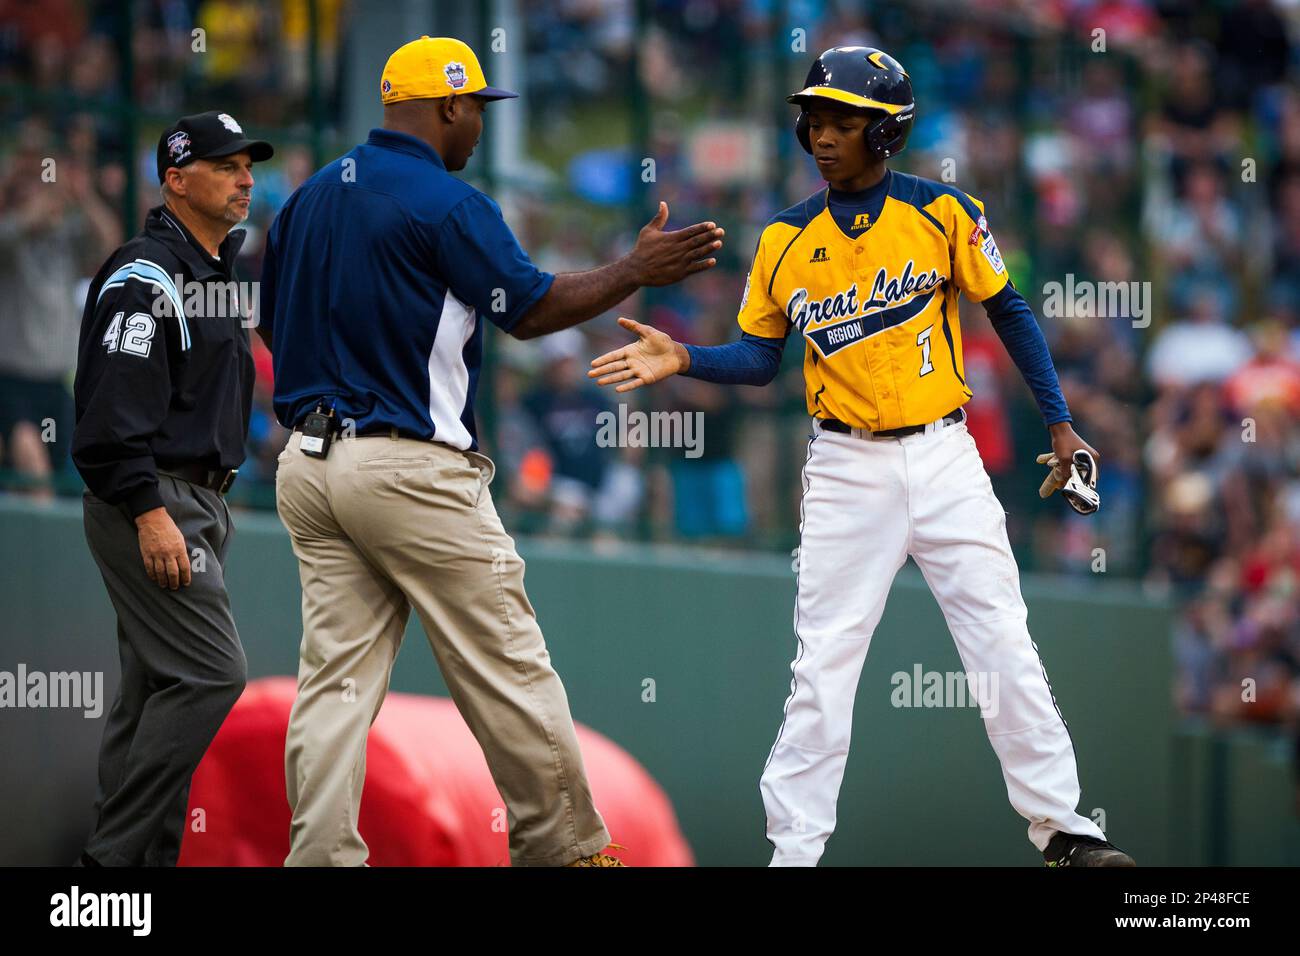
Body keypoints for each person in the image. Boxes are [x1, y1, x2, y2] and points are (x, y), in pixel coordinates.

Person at [589, 47, 1135, 867]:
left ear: (887, 133)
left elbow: (1011, 311)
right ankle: (796, 853)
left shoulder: (945, 212)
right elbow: (759, 359)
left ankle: (1066, 832)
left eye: (844, 120)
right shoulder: (781, 238)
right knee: (824, 666)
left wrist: (1059, 424)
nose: (822, 134)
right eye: (816, 118)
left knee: (1002, 643)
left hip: (947, 455)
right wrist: (685, 358)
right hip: (847, 468)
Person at [258, 36, 724, 867]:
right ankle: (569, 851)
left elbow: (268, 323)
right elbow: (530, 308)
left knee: (333, 680)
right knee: (507, 663)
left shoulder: (308, 198)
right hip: (409, 468)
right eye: (475, 105)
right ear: (446, 106)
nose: (478, 123)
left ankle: (320, 857)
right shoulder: (448, 202)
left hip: (308, 466)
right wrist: (634, 268)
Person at [71, 111, 273, 865]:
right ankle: (107, 867)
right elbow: (110, 414)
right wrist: (148, 510)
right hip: (153, 499)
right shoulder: (147, 274)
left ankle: (132, 885)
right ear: (177, 180)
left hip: (200, 500)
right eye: (225, 166)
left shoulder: (216, 275)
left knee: (155, 691)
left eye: (248, 165)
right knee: (213, 673)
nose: (245, 177)